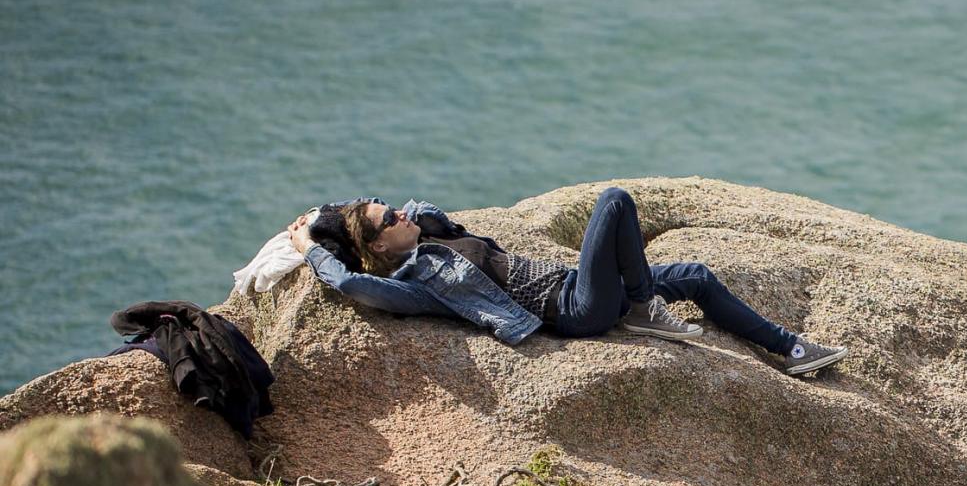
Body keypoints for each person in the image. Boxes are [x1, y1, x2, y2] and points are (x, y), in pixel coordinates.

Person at [285, 185, 848, 375]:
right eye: (388, 220)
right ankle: (643, 305)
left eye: (393, 208)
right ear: (380, 246)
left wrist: (328, 216)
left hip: (578, 282)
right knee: (613, 203)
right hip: (573, 309)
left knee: (697, 276)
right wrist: (312, 247)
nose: (399, 214)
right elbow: (353, 286)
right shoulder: (415, 279)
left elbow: (409, 206)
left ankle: (791, 349)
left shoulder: (429, 232)